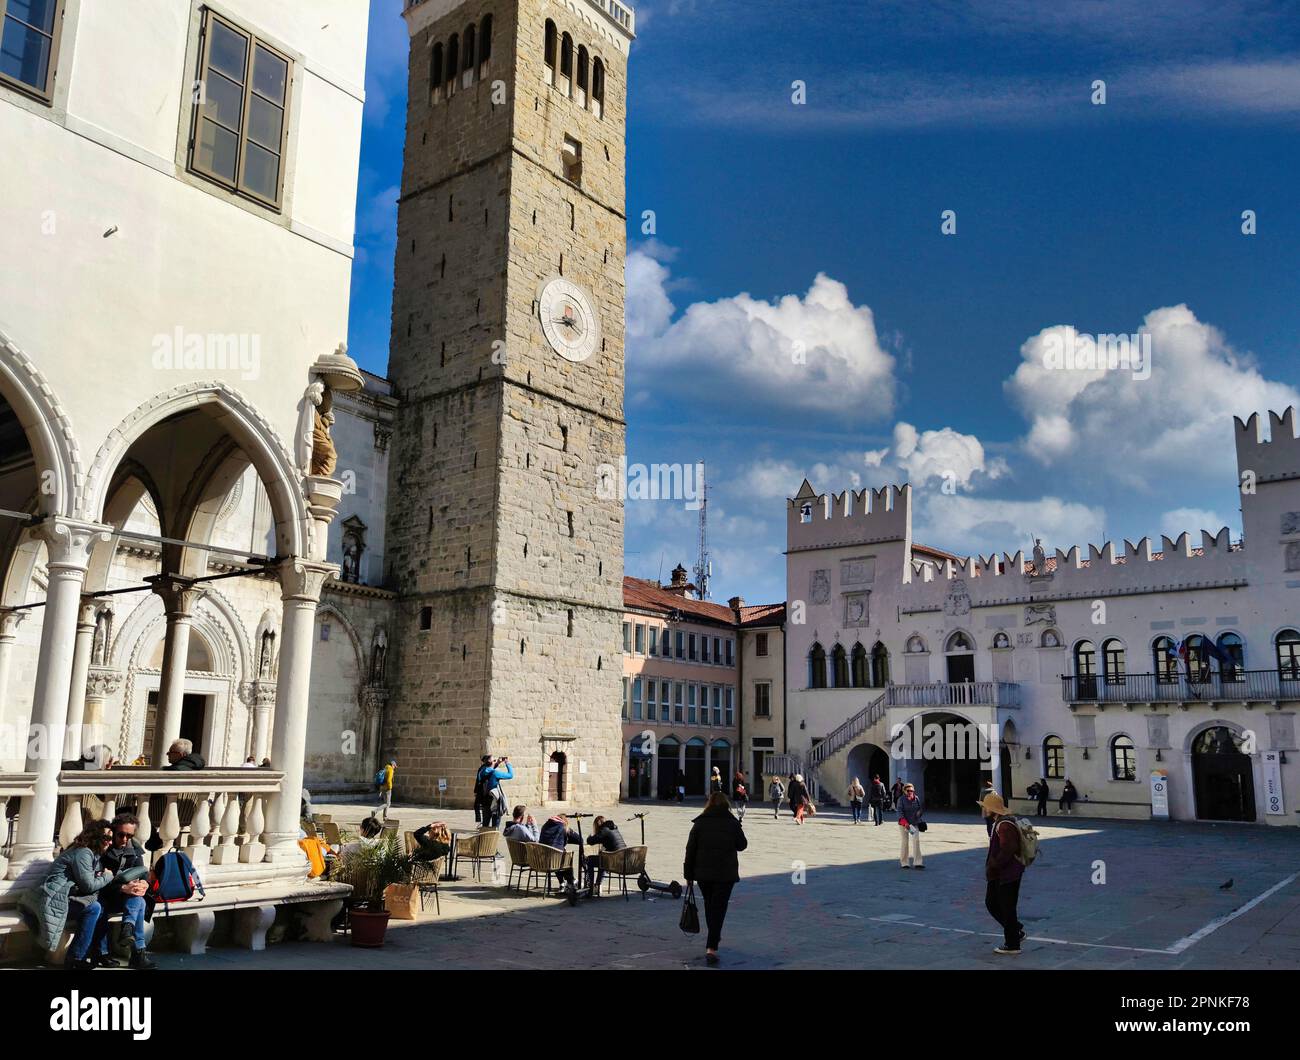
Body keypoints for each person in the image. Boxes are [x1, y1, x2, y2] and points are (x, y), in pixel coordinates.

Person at [18, 819, 116, 970]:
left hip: (55, 896)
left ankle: (95, 954)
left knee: (98, 906)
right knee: (94, 908)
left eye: (111, 838)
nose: (110, 842)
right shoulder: (84, 853)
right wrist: (108, 876)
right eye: (107, 838)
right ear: (96, 837)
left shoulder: (86, 852)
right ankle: (76, 958)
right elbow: (88, 885)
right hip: (50, 899)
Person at [683, 791, 748, 966]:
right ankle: (712, 946)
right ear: (726, 805)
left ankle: (713, 936)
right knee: (718, 908)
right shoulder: (732, 823)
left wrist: (688, 875)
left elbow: (690, 850)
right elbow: (742, 845)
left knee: (710, 904)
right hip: (725, 874)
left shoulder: (699, 823)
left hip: (703, 874)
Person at [91, 813, 155, 970]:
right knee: (100, 907)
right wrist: (121, 888)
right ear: (113, 832)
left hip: (126, 897)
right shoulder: (104, 848)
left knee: (139, 899)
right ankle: (107, 952)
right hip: (104, 893)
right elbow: (95, 881)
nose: (125, 839)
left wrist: (144, 884)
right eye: (121, 835)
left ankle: (128, 931)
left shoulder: (134, 849)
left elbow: (143, 873)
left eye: (129, 836)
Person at [981, 792, 1026, 955]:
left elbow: (1009, 849)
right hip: (1001, 873)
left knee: (1006, 907)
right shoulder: (999, 822)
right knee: (992, 903)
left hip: (1007, 873)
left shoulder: (1004, 825)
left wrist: (994, 863)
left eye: (986, 806)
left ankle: (1013, 944)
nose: (984, 809)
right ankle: (1016, 931)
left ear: (992, 809)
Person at [538, 814, 582, 895]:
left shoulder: (545, 826)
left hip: (542, 861)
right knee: (565, 857)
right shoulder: (562, 827)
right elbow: (580, 840)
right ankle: (571, 881)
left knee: (555, 855)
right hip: (555, 861)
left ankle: (562, 883)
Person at [584, 815, 627, 893]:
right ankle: (598, 885)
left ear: (597, 825)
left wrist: (590, 836)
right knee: (602, 859)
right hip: (622, 860)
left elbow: (590, 841)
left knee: (590, 860)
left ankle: (590, 887)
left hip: (613, 860)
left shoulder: (604, 830)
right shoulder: (614, 829)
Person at [475, 755, 514, 829]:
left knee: (485, 824)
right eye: (494, 760)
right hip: (494, 800)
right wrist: (507, 763)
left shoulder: (481, 770)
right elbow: (510, 775)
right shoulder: (496, 773)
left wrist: (497, 763)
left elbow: (489, 769)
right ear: (491, 762)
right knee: (495, 826)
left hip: (484, 800)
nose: (495, 761)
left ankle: (484, 837)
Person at [897, 782, 925, 869]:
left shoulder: (916, 798)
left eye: (912, 791)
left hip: (914, 823)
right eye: (908, 790)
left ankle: (918, 862)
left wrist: (919, 813)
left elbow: (920, 808)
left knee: (916, 840)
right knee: (905, 842)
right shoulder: (901, 800)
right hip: (904, 824)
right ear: (904, 791)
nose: (910, 792)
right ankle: (904, 862)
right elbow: (900, 812)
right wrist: (905, 823)